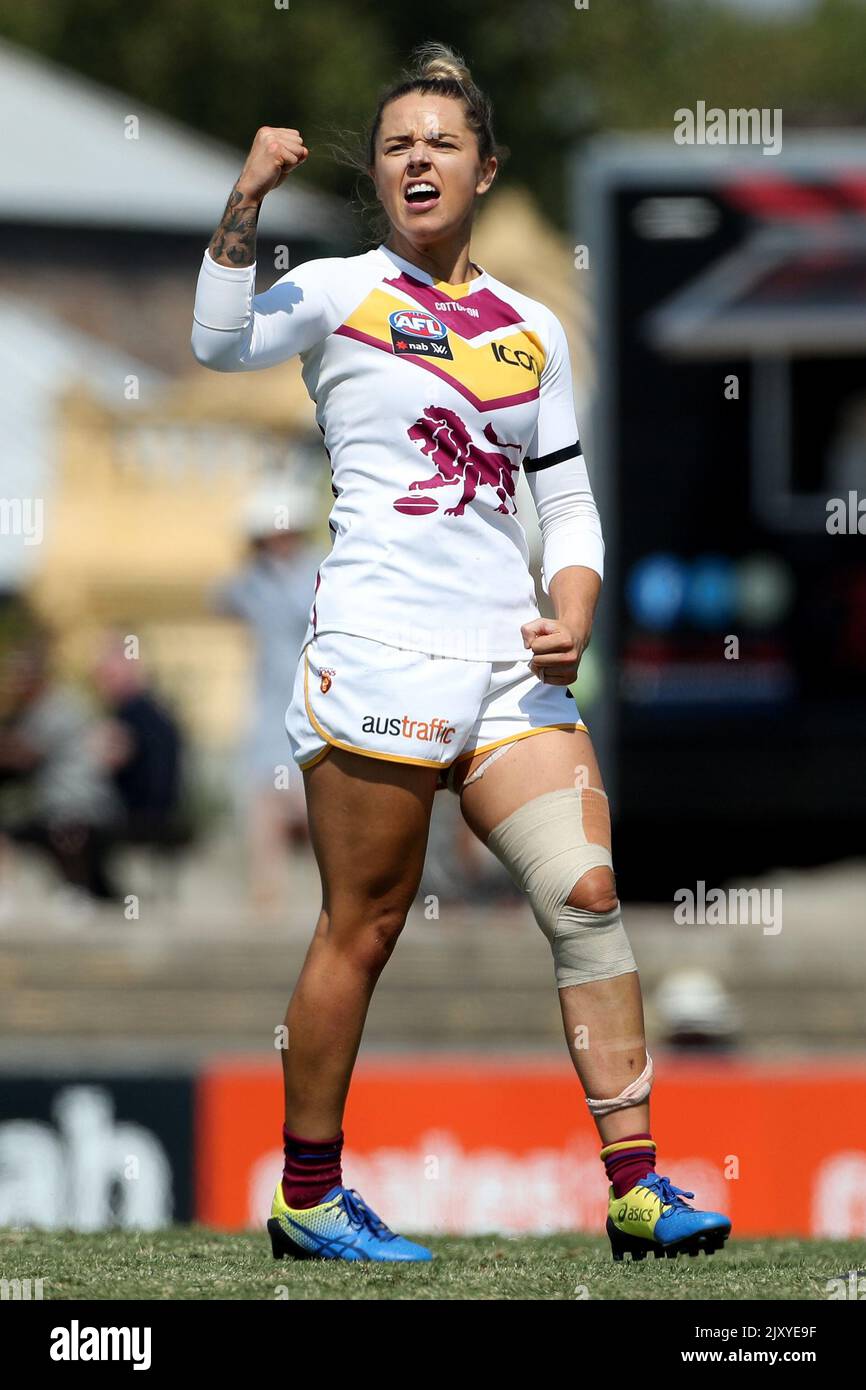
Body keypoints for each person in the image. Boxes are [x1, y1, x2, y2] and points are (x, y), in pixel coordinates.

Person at [191, 42, 731, 1264]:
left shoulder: (532, 328)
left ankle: (636, 1189)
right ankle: (309, 1195)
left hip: (508, 667)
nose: (416, 159)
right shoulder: (337, 290)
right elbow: (218, 342)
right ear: (379, 176)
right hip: (380, 650)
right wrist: (244, 203)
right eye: (395, 146)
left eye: (440, 142)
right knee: (363, 926)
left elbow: (569, 505)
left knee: (587, 897)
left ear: (485, 169)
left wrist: (573, 609)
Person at [211, 489, 321, 913]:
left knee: (315, 805)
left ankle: (330, 900)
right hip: (269, 714)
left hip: (317, 704)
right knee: (264, 801)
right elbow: (220, 598)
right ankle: (267, 899)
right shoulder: (254, 580)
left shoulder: (317, 570)